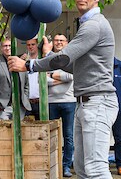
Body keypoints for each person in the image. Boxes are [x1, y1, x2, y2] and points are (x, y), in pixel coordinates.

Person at [9, 0, 117, 179]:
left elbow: (63, 59)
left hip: (98, 103)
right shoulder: (87, 23)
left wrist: (29, 65)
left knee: (95, 169)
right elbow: (74, 66)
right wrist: (49, 55)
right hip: (86, 103)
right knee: (83, 169)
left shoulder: (94, 25)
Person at [47, 33, 78, 176]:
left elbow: (72, 76)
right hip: (51, 102)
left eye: (62, 40)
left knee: (68, 136)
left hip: (69, 102)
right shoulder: (48, 59)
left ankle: (66, 166)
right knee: (52, 136)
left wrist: (52, 75)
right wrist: (61, 78)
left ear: (67, 43)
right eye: (56, 40)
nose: (58, 42)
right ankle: (54, 164)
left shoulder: (71, 59)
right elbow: (43, 79)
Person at [0, 39, 15, 119]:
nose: (7, 48)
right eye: (5, 46)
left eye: (9, 46)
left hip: (17, 108)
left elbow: (26, 84)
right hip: (1, 108)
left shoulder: (19, 62)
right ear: (1, 48)